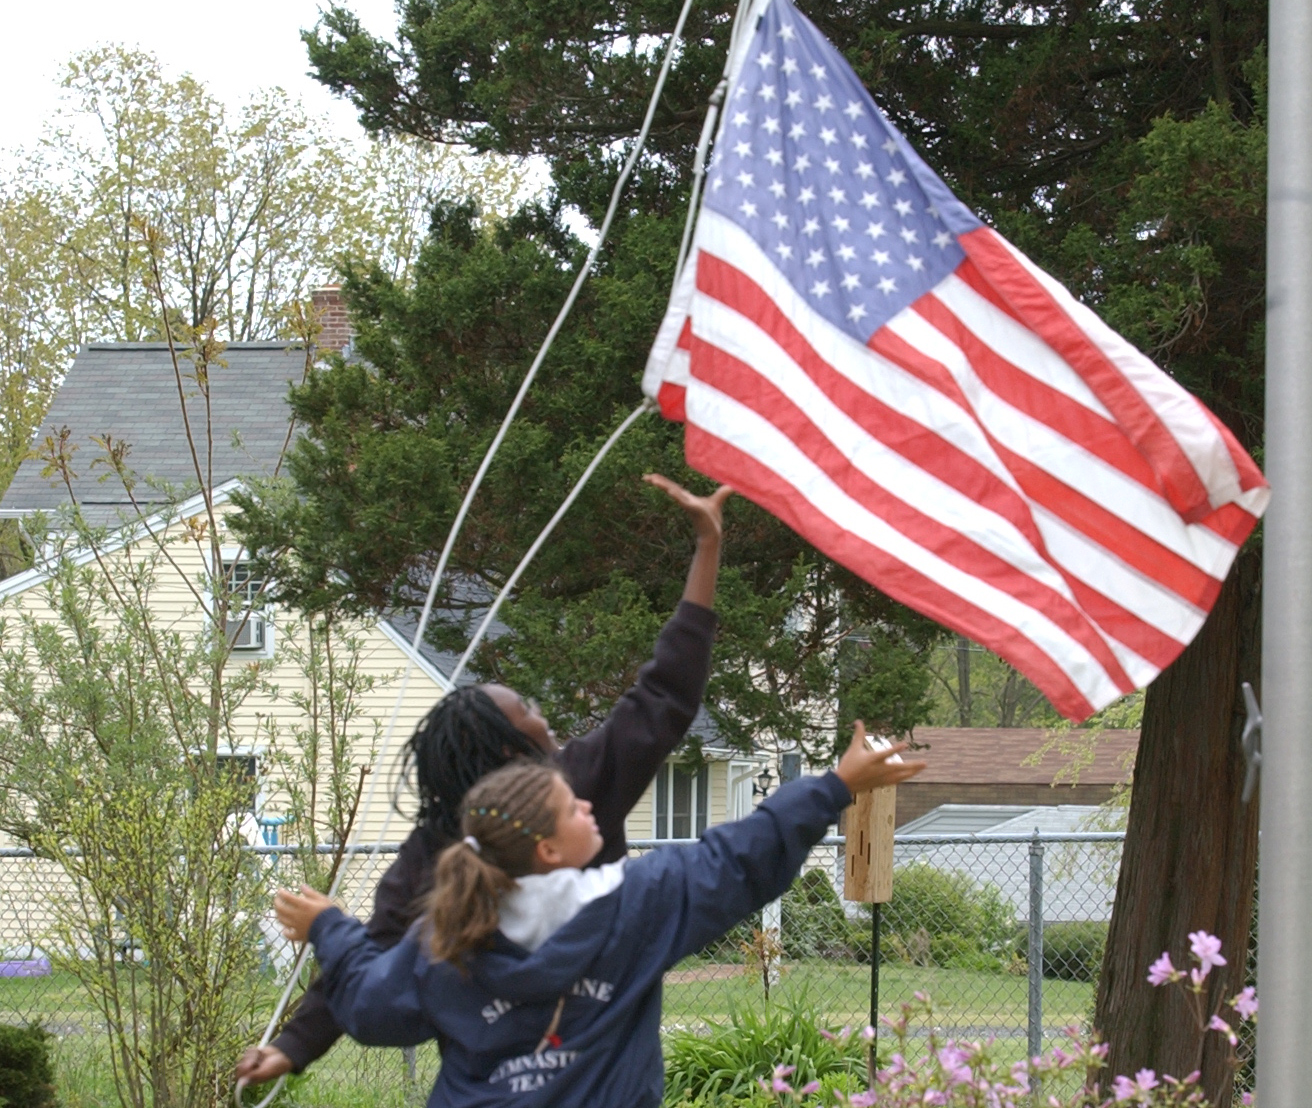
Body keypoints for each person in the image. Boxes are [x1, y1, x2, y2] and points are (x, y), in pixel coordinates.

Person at [236, 474, 732, 1084]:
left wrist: (296, 1035)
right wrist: (295, 1043)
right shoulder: (573, 789)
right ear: (509, 745)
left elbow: (374, 966)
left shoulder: (448, 843)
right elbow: (665, 694)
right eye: (528, 709)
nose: (543, 716)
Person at [274, 723, 926, 1106]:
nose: (589, 807)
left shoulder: (445, 937)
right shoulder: (635, 903)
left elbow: (372, 1007)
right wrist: (835, 786)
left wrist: (330, 928)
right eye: (572, 807)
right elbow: (738, 859)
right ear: (548, 850)